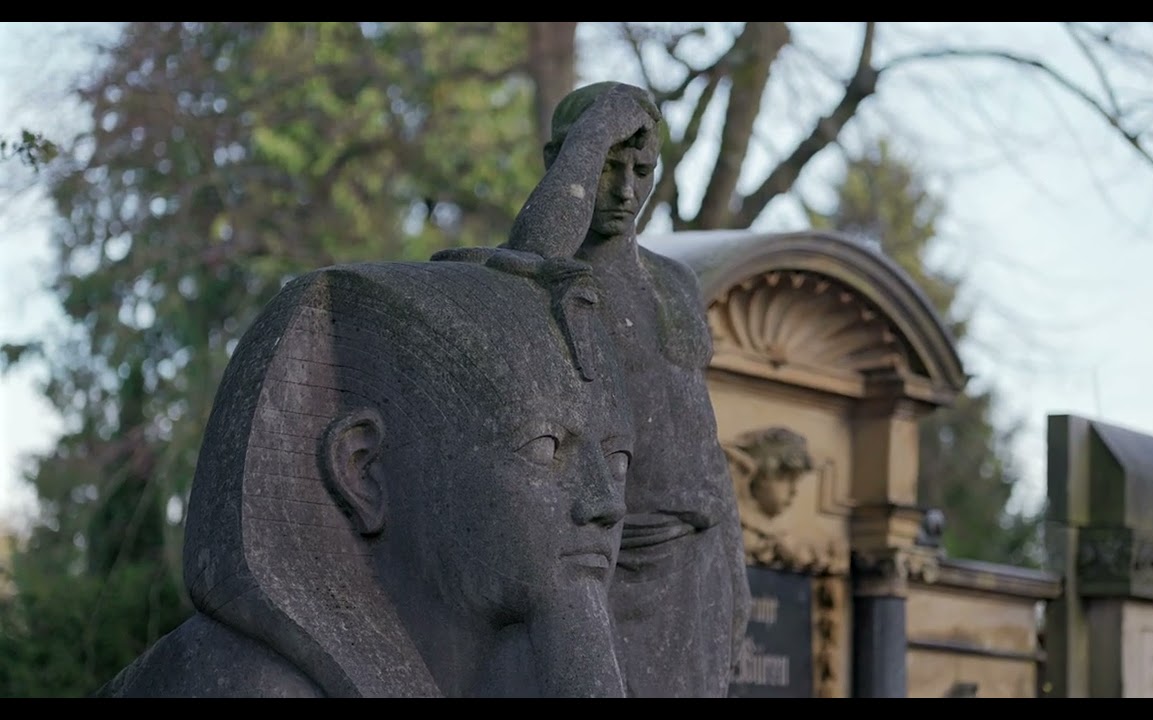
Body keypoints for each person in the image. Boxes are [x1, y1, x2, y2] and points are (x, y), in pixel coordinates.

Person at [97, 255, 635, 697]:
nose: (605, 501)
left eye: (616, 460)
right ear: (362, 471)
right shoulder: (251, 685)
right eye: (545, 448)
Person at [441, 81, 751, 697]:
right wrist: (591, 134)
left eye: (642, 170)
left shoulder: (676, 283)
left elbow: (701, 431)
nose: (627, 190)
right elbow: (524, 262)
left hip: (696, 560)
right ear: (565, 163)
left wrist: (734, 564)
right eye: (608, 167)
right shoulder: (552, 279)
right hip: (611, 559)